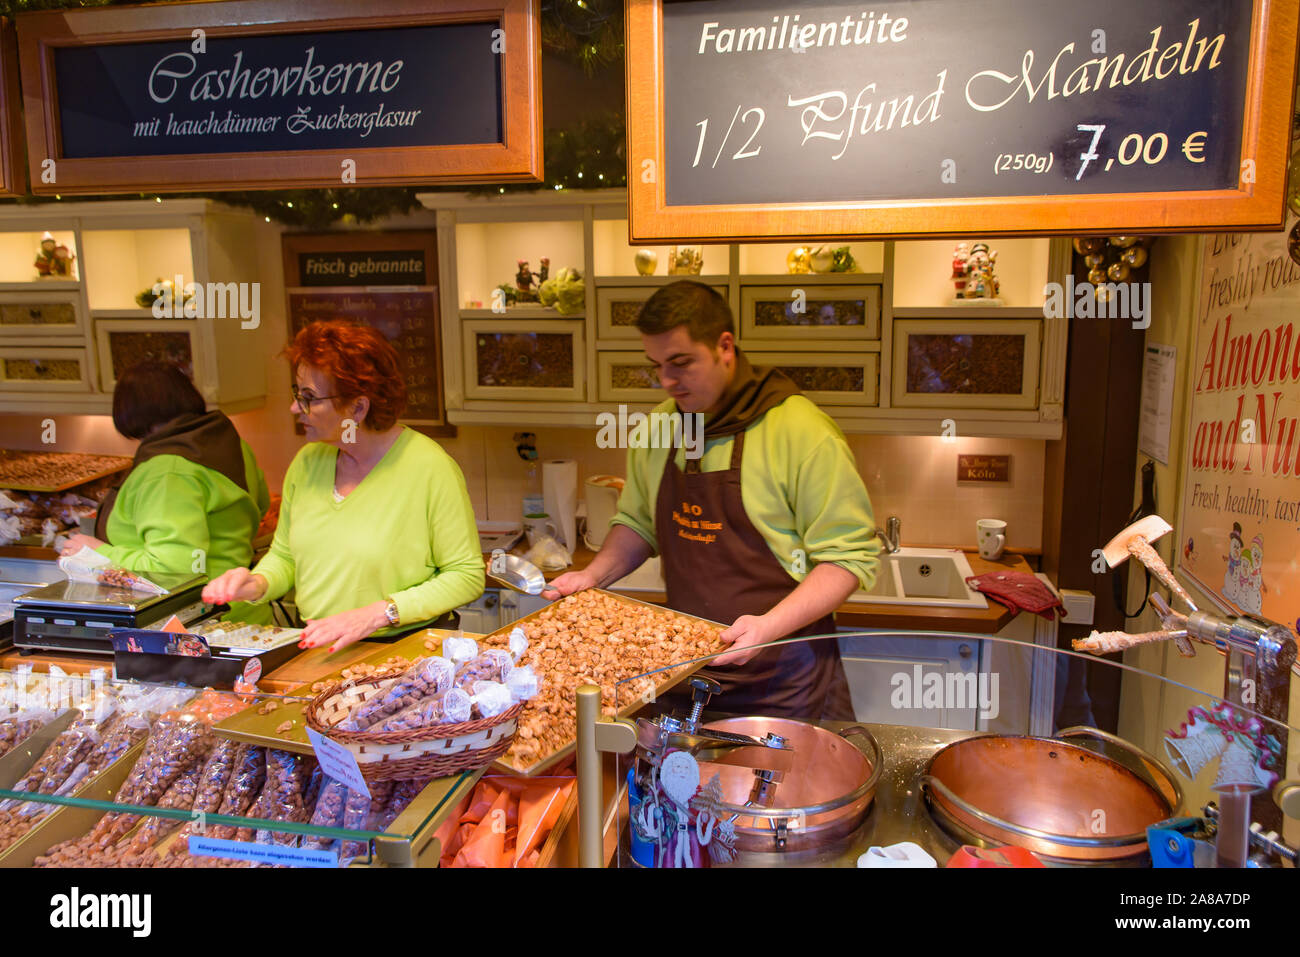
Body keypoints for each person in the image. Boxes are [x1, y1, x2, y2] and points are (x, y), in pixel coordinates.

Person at [545, 281, 881, 719]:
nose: (667, 381)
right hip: (680, 674)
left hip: (784, 684)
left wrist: (767, 627)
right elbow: (638, 523)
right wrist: (592, 576)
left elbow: (848, 560)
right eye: (658, 366)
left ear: (725, 346)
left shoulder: (802, 432)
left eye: (681, 363)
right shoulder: (660, 427)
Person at [202, 321, 484, 652]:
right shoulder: (308, 463)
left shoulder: (429, 468)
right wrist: (257, 582)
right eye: (297, 394)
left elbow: (466, 575)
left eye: (308, 398)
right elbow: (286, 556)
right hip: (321, 650)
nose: (295, 408)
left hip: (408, 650)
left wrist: (379, 614)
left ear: (357, 408)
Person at [60, 361, 271, 622]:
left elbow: (174, 568)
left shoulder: (167, 471)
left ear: (128, 413)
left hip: (200, 623)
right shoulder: (227, 442)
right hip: (243, 611)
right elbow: (260, 505)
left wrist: (99, 553)